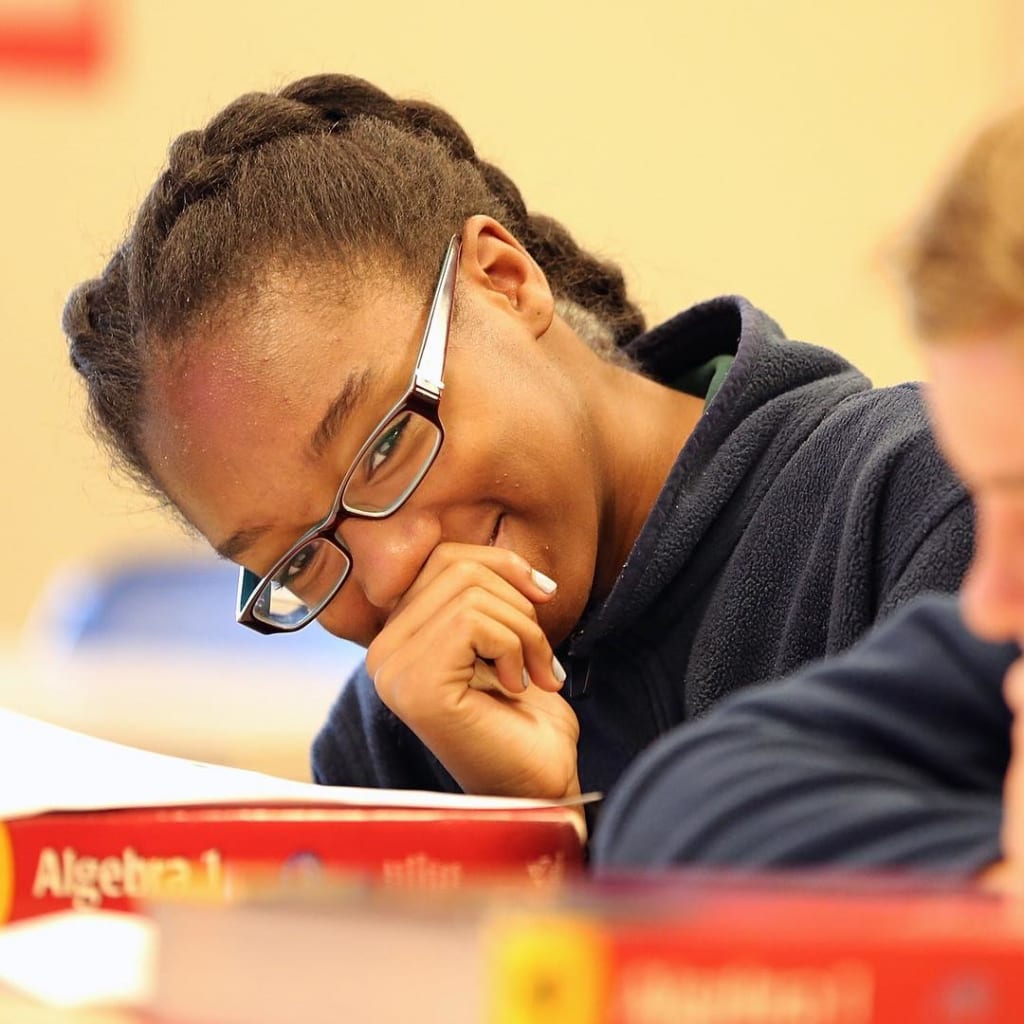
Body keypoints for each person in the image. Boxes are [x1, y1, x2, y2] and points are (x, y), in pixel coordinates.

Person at [63, 74, 973, 811]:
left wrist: (568, 832)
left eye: (384, 446)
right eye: (300, 562)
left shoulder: (937, 506)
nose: (388, 573)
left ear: (504, 282)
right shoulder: (392, 741)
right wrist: (514, 823)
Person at [592, 106, 1024, 886]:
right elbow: (672, 812)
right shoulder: (998, 646)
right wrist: (991, 873)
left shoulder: (884, 476)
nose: (990, 597)